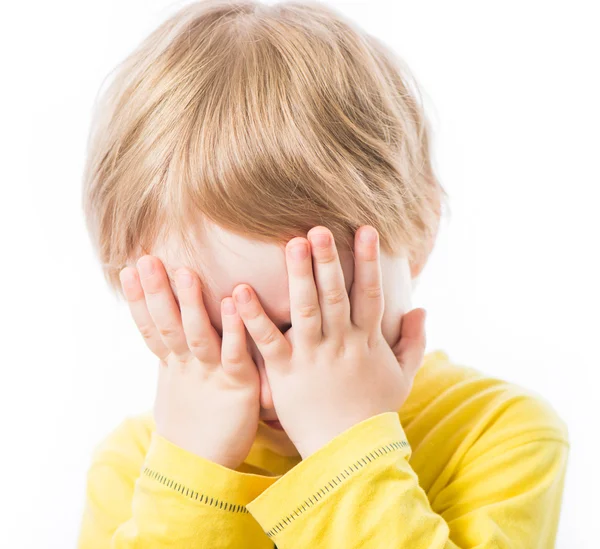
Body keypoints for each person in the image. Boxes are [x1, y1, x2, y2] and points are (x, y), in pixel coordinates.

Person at [77, 1, 569, 547]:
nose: (266, 391)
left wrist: (346, 449)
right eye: (212, 339)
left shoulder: (495, 434)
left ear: (421, 233)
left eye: (307, 326)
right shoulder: (136, 471)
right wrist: (191, 478)